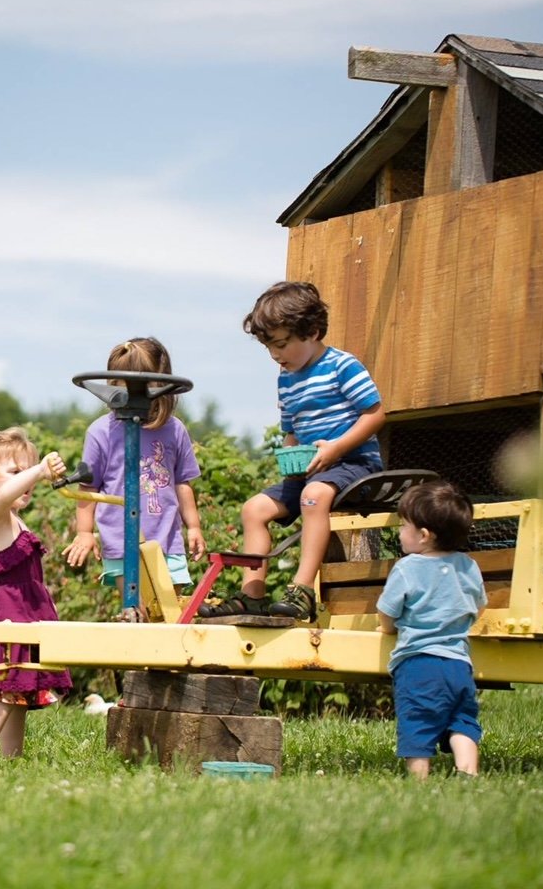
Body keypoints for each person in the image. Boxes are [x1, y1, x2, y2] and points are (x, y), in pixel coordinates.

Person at [201, 280, 385, 621]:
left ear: (312, 331)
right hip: (312, 469)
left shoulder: (342, 366)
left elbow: (375, 415)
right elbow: (291, 430)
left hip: (353, 463)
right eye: (269, 347)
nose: (276, 355)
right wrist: (290, 458)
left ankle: (302, 590)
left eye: (282, 344)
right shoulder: (286, 379)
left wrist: (337, 447)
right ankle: (251, 594)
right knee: (254, 509)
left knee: (313, 496)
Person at [0, 427, 74, 763]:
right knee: (3, 690)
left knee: (20, 691)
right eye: (16, 472)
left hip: (23, 615)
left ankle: (12, 759)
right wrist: (39, 470)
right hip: (4, 617)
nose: (27, 481)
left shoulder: (14, 521)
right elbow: (5, 496)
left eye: (29, 472)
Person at [62, 337, 205, 608]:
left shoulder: (174, 430)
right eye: (120, 387)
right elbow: (88, 488)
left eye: (141, 387)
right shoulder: (101, 431)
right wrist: (84, 532)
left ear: (160, 385)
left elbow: (182, 482)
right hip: (121, 540)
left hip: (167, 539)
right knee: (138, 610)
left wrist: (194, 526)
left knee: (170, 613)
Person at [376, 480, 486, 779]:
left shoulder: (408, 568)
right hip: (459, 664)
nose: (399, 532)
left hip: (418, 663)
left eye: (403, 526)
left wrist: (388, 628)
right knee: (462, 720)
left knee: (417, 723)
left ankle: (419, 781)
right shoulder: (469, 566)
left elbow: (387, 613)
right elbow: (478, 606)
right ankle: (468, 772)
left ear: (423, 536)